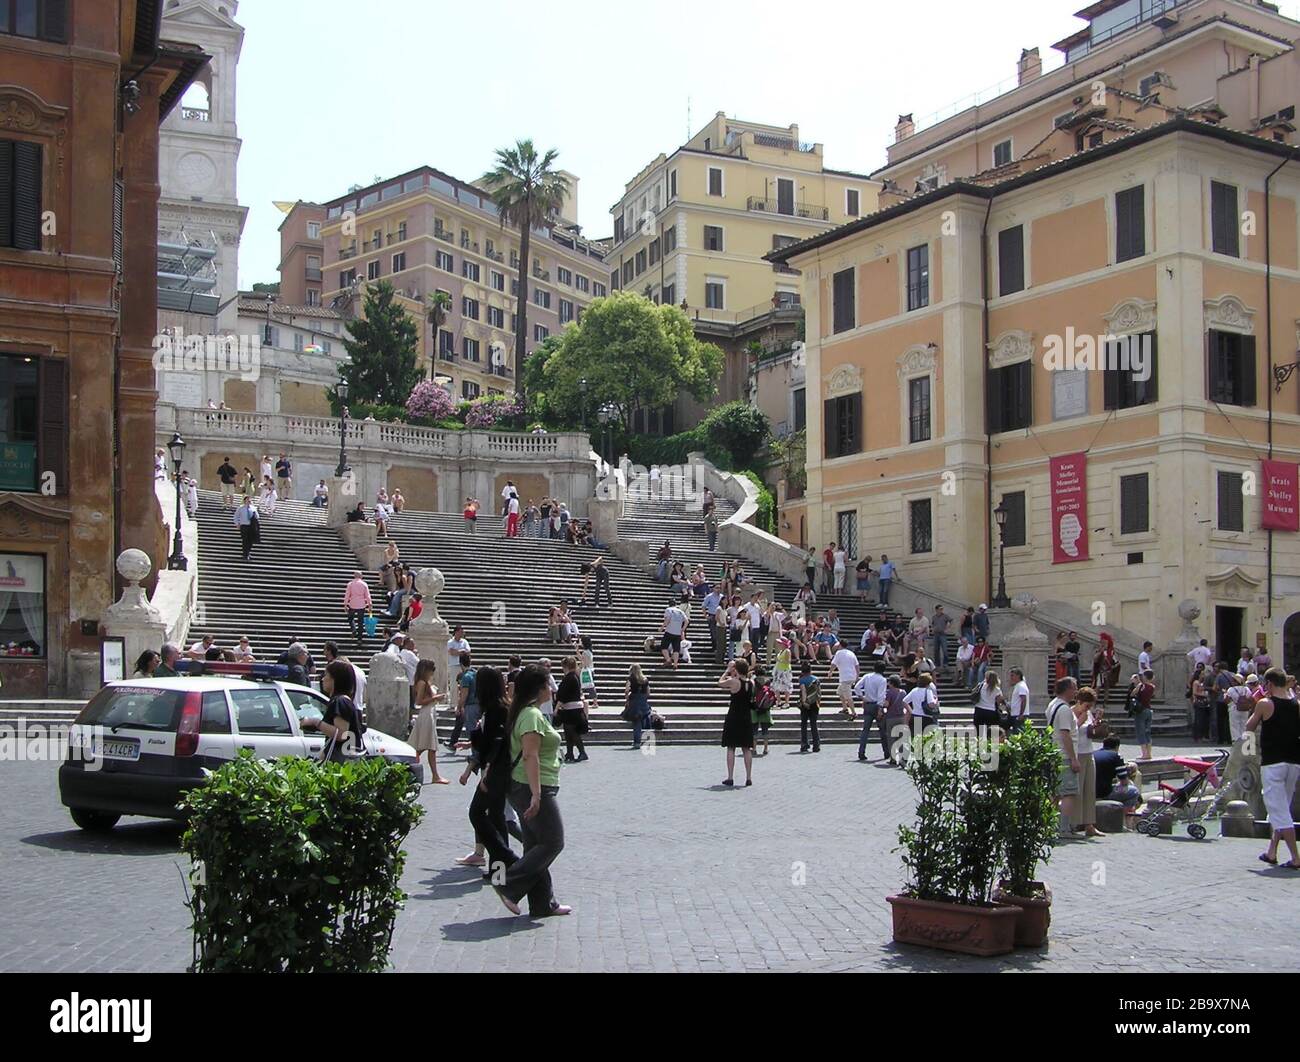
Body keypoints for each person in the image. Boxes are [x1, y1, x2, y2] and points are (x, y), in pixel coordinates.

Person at [493, 664, 572, 918]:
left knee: (535, 844)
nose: (552, 688)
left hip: (523, 785)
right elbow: (530, 755)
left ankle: (542, 903)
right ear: (538, 689)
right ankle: (508, 883)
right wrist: (537, 795)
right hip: (531, 787)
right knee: (553, 841)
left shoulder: (527, 712)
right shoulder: (531, 716)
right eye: (548, 684)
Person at [457, 666, 518, 873]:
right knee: (496, 817)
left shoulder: (496, 710)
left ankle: (505, 857)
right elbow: (487, 742)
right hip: (497, 769)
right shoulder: (498, 707)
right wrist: (473, 737)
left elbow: (497, 743)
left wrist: (487, 772)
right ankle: (499, 869)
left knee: (477, 813)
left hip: (495, 771)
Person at [1245, 667, 1300, 869]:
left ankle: (1295, 858)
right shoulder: (1297, 704)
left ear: (1268, 684)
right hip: (1294, 762)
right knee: (1282, 807)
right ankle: (1272, 851)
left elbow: (1249, 727)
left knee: (1279, 810)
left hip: (1273, 763)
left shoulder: (1265, 704)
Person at [303, 661, 364, 762]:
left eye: (326, 674)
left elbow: (341, 734)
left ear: (335, 679)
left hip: (342, 763)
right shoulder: (341, 700)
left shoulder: (340, 701)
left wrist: (316, 723)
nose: (323, 679)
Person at [1046, 677, 1080, 837]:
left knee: (1055, 792)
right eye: (1074, 688)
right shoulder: (1065, 709)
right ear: (1067, 689)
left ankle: (1051, 825)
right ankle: (1064, 828)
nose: (1076, 691)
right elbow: (1065, 734)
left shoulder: (1053, 704)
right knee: (1068, 792)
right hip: (1063, 754)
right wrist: (1073, 758)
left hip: (1054, 752)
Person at [1070, 687, 1105, 838]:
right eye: (1087, 705)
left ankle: (1089, 824)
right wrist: (1079, 722)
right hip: (1077, 754)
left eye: (1090, 706)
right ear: (1079, 702)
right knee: (1078, 791)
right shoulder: (1069, 713)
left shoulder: (1088, 713)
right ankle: (1074, 823)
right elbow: (1068, 733)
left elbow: (1090, 732)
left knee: (1090, 789)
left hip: (1089, 752)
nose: (1088, 708)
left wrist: (1096, 723)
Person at [719, 659, 756, 785]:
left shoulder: (734, 682)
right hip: (746, 717)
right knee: (746, 748)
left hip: (734, 716)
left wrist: (727, 671)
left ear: (737, 669)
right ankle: (748, 777)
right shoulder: (751, 682)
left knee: (731, 747)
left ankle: (730, 777)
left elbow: (720, 683)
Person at [555, 656, 589, 763]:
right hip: (575, 708)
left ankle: (582, 752)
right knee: (569, 732)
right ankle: (570, 752)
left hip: (571, 709)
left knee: (572, 732)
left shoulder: (569, 678)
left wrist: (556, 708)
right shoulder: (575, 676)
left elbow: (563, 695)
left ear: (565, 666)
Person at [854, 660, 889, 761]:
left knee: (865, 730)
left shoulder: (867, 676)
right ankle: (886, 752)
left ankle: (861, 751)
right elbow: (881, 696)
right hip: (876, 705)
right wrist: (880, 709)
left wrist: (862, 697)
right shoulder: (882, 680)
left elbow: (857, 687)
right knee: (882, 730)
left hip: (868, 704)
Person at [446, 653, 479, 751]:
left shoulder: (466, 677)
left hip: (470, 705)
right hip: (478, 703)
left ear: (460, 663)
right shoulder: (476, 673)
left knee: (471, 729)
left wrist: (459, 707)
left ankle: (475, 751)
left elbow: (464, 695)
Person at [880, 677, 907, 765]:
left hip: (891, 717)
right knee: (901, 738)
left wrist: (882, 704)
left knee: (891, 739)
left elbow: (887, 704)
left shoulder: (890, 692)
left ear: (892, 683)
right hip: (902, 717)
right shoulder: (903, 692)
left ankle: (893, 758)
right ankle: (903, 757)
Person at [625, 664, 653, 749]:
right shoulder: (645, 679)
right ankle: (640, 740)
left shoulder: (630, 679)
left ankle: (637, 741)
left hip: (634, 700)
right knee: (641, 719)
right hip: (643, 700)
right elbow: (648, 692)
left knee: (636, 722)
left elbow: (626, 690)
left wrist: (627, 697)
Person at [830, 640, 860, 720]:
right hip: (851, 676)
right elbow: (857, 665)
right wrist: (857, 675)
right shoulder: (851, 653)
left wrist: (830, 672)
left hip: (845, 677)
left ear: (840, 645)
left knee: (848, 696)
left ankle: (853, 713)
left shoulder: (839, 653)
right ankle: (845, 708)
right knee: (840, 692)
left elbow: (833, 664)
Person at [1133, 669, 1156, 761]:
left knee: (1140, 732)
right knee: (1147, 731)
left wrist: (1137, 683)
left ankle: (1144, 753)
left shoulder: (1141, 685)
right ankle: (1149, 753)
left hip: (1140, 710)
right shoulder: (1152, 687)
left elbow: (1133, 693)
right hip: (1149, 710)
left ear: (1145, 677)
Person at [343, 571, 372, 644]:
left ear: (354, 576)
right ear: (361, 576)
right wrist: (370, 605)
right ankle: (359, 639)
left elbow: (347, 595)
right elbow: (367, 596)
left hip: (352, 604)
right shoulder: (364, 584)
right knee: (360, 622)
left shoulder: (350, 584)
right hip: (361, 605)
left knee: (350, 618)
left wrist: (345, 604)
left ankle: (353, 629)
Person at [973, 670, 1004, 734]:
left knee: (979, 731)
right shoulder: (997, 689)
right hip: (991, 711)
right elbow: (999, 701)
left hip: (979, 709)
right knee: (993, 732)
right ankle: (991, 743)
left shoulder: (981, 686)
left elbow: (974, 691)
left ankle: (980, 743)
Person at [661, 599, 688, 671]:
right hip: (677, 633)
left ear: (669, 604)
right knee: (676, 649)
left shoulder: (668, 609)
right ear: (676, 604)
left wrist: (662, 627)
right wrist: (682, 629)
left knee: (664, 647)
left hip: (669, 631)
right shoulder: (680, 611)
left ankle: (668, 659)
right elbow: (686, 621)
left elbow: (667, 619)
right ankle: (675, 664)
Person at [234, 495, 260, 561]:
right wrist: (237, 524)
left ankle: (248, 552)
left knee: (250, 540)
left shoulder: (253, 508)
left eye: (250, 500)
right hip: (244, 525)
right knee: (245, 540)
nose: (249, 501)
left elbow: (257, 516)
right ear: (245, 500)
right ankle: (245, 554)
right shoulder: (240, 508)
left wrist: (255, 514)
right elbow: (236, 516)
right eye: (248, 500)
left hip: (251, 526)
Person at [1006, 668, 1030, 732]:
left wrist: (1021, 714)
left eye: (1012, 675)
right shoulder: (1018, 685)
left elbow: (1023, 700)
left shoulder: (1021, 686)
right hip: (1014, 714)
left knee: (1018, 733)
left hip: (1018, 715)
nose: (1011, 678)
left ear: (1018, 676)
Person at [931, 605, 951, 673]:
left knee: (945, 649)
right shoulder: (934, 617)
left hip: (943, 634)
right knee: (936, 650)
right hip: (936, 634)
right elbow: (932, 624)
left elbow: (949, 621)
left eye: (942, 609)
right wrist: (933, 629)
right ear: (936, 610)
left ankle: (945, 663)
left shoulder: (945, 616)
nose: (941, 610)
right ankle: (937, 664)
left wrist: (947, 628)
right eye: (940, 609)